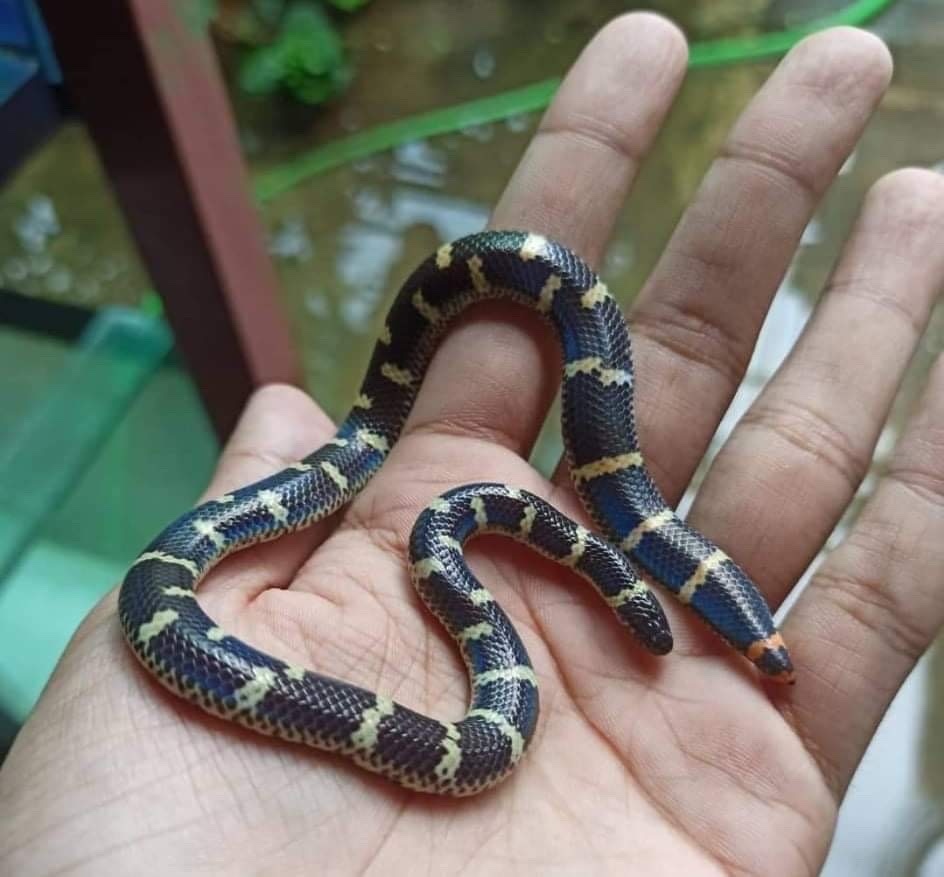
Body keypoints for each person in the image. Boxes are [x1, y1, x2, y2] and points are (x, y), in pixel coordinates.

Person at [2, 14, 943, 875]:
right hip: (409, 575)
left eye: (763, 653)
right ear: (625, 604)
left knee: (598, 511)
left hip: (497, 554)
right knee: (404, 474)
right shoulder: (469, 637)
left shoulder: (498, 568)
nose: (771, 666)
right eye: (764, 647)